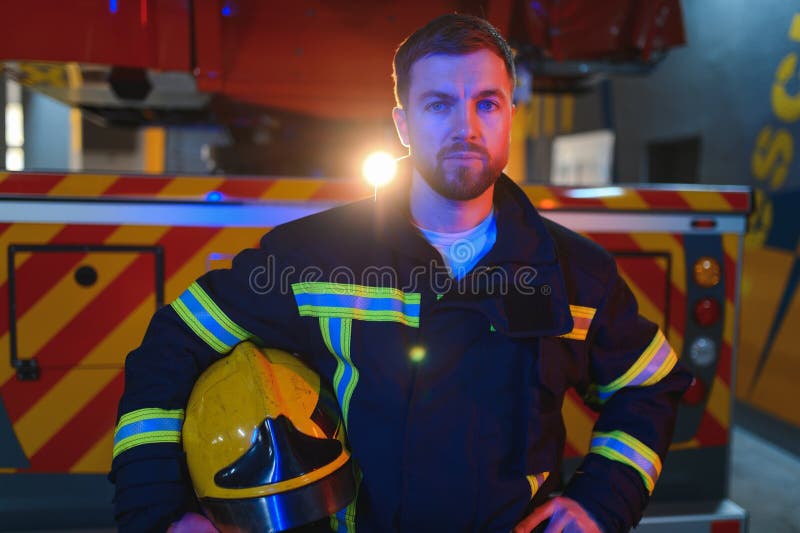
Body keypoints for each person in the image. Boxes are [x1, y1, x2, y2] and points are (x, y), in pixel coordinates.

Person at [110, 13, 692, 533]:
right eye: (438, 104)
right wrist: (161, 513)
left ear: (510, 115)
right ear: (402, 124)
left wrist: (600, 502)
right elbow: (172, 345)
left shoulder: (574, 273)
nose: (465, 126)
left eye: (486, 102)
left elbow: (649, 385)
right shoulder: (314, 256)